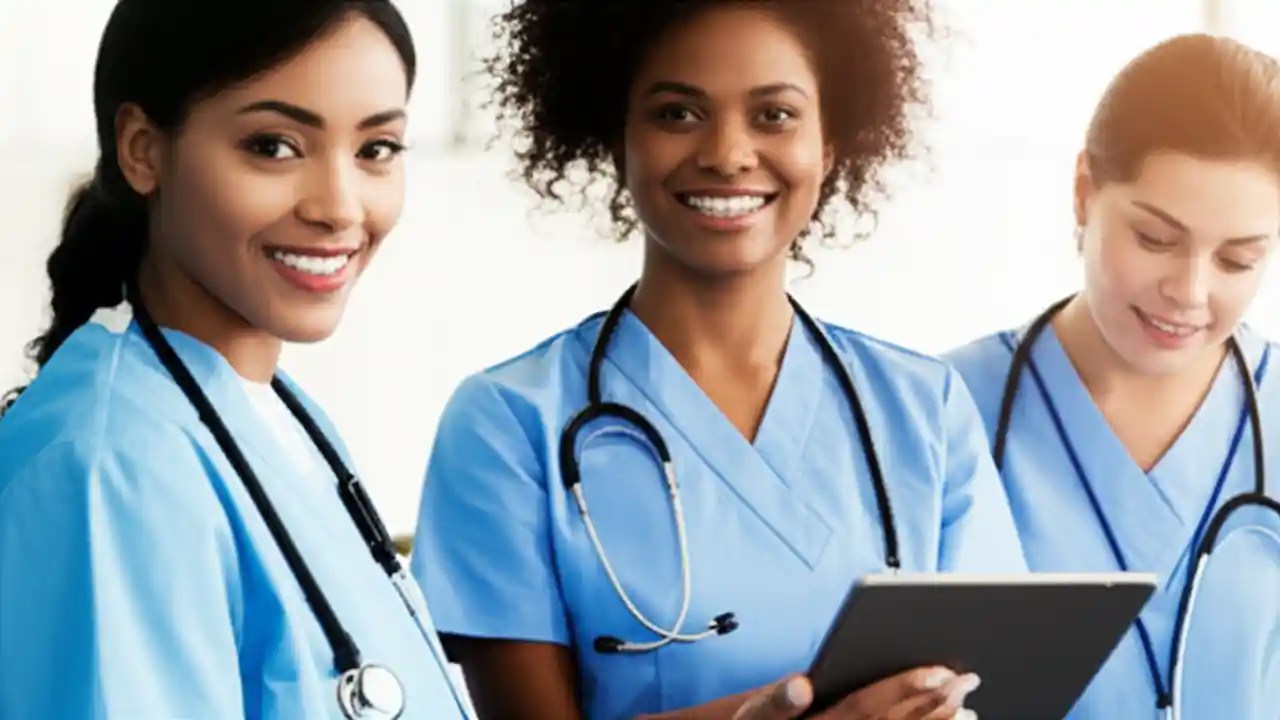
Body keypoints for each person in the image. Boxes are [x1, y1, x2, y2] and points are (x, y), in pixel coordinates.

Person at [410, 2, 1024, 718]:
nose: (727, 154)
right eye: (677, 113)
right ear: (617, 138)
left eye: (775, 116)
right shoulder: (508, 423)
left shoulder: (926, 409)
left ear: (830, 145)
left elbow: (998, 698)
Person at [0, 1, 473, 717]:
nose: (340, 206)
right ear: (142, 150)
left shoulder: (277, 414)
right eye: (274, 146)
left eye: (375, 149)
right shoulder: (110, 467)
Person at [946, 34, 1280, 720]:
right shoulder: (942, 411)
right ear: (1083, 193)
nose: (1189, 292)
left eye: (1238, 260)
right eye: (1156, 240)